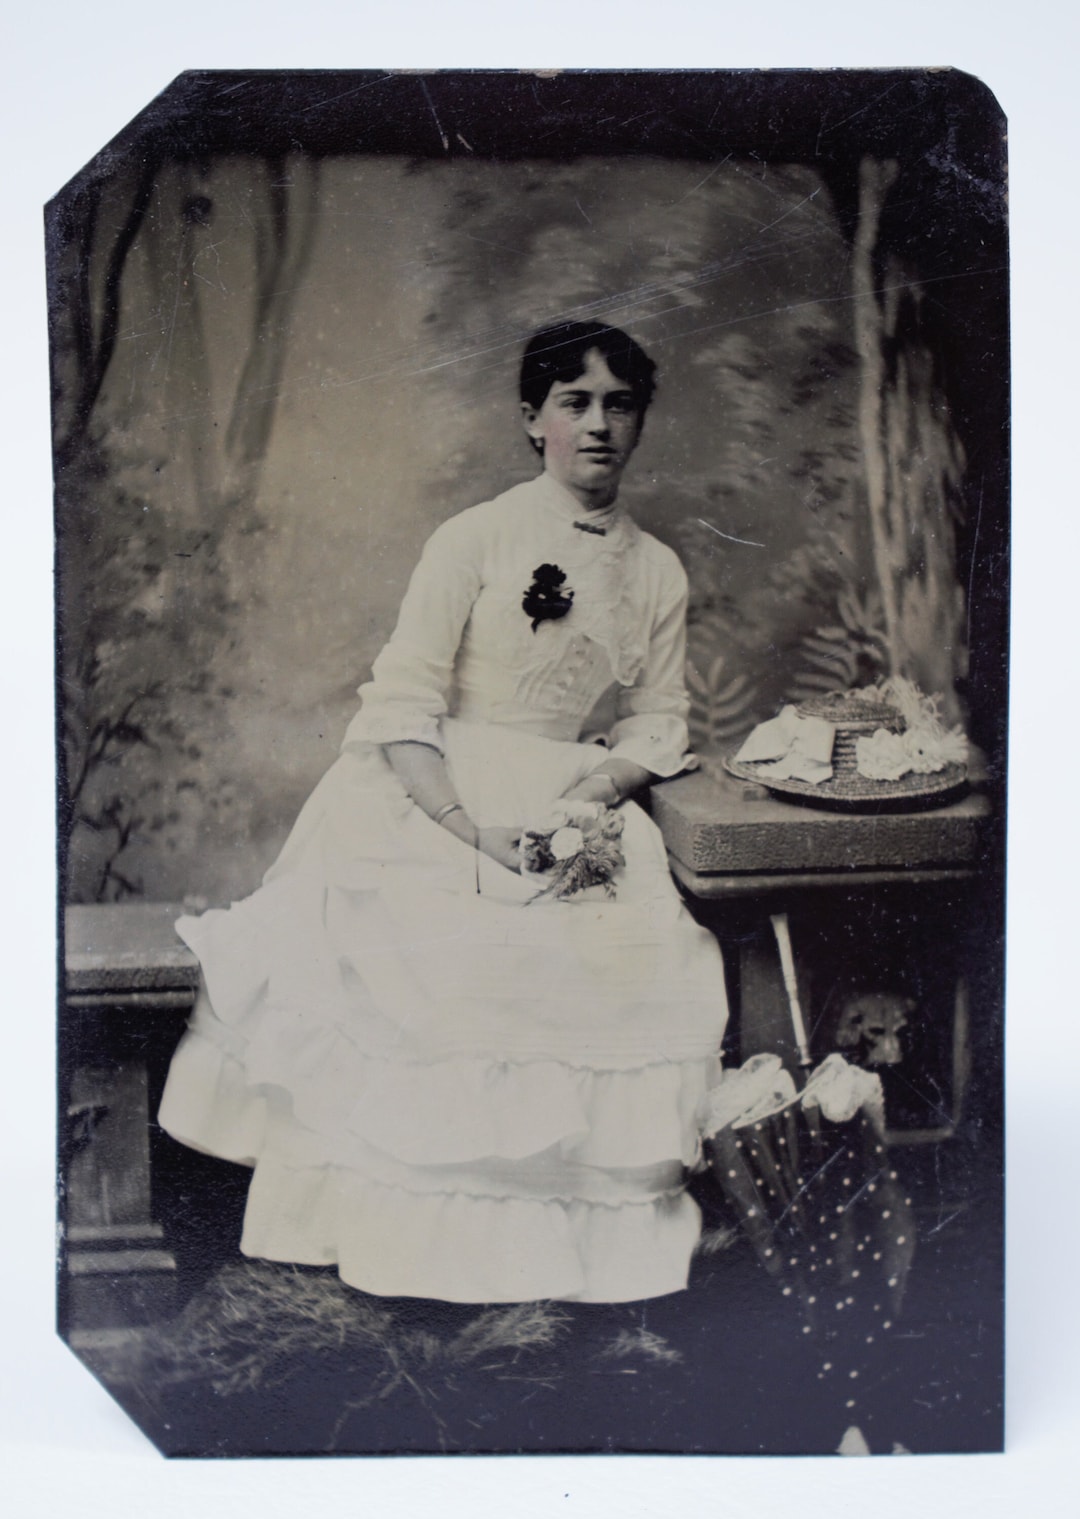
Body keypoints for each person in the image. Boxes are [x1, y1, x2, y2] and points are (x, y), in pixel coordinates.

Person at [159, 320, 729, 1305]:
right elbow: (402, 709)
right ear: (532, 420)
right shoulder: (474, 538)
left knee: (624, 960)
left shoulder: (659, 570)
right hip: (435, 800)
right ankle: (399, 1259)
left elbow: (660, 718)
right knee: (444, 968)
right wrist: (471, 831)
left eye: (619, 404)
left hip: (575, 802)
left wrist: (594, 790)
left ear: (640, 421)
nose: (598, 425)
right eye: (574, 402)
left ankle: (560, 1272)